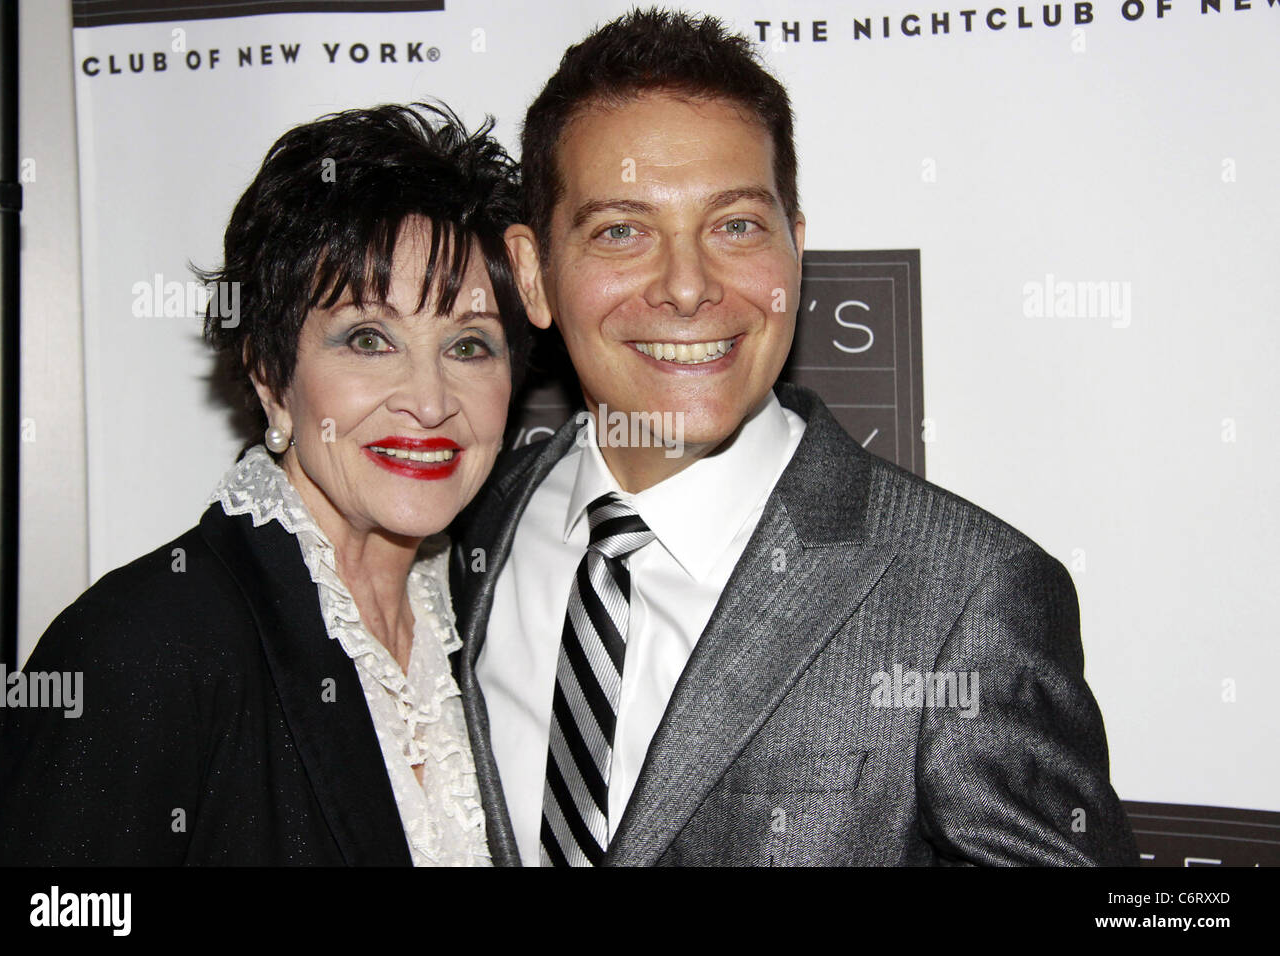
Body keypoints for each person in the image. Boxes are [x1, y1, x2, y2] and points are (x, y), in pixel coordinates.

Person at [449, 8, 1139, 866]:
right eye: (621, 231)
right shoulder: (464, 529)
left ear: (794, 249)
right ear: (532, 274)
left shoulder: (968, 596)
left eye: (736, 225)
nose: (688, 286)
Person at [0, 103, 529, 865]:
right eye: (369, 339)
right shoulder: (141, 648)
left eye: (469, 345)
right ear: (272, 377)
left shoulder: (497, 624)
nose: (431, 401)